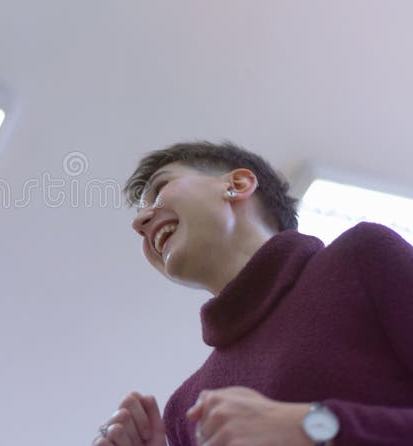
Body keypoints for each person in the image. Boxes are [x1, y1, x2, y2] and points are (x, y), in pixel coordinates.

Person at [93, 142, 413, 445]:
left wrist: (315, 427)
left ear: (239, 184)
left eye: (160, 189)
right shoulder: (184, 407)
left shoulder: (361, 257)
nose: (139, 222)